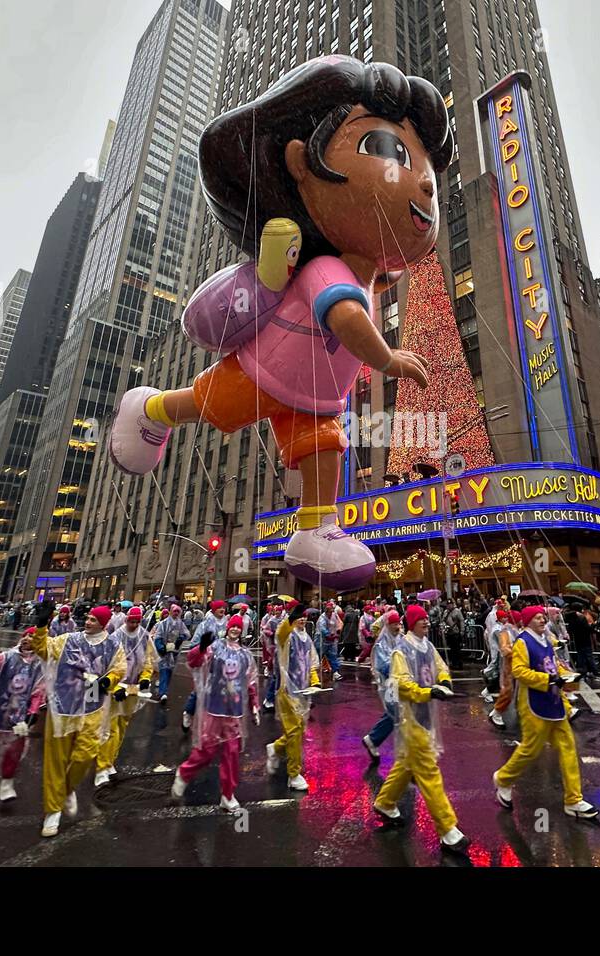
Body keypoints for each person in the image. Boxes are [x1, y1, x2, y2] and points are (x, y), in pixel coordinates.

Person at [108, 56, 451, 590]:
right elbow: (346, 321)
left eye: (425, 167)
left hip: (315, 400)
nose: (425, 185)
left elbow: (363, 298)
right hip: (265, 374)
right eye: (384, 149)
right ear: (299, 162)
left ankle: (317, 529)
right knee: (210, 405)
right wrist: (388, 359)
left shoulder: (363, 273)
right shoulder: (326, 269)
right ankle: (151, 408)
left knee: (325, 449)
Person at [370, 604, 470, 854]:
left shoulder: (427, 645)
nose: (426, 622)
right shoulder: (400, 650)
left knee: (406, 763)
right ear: (411, 622)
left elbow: (440, 667)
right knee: (428, 770)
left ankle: (384, 802)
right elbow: (401, 684)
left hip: (425, 716)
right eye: (421, 619)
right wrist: (427, 693)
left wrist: (444, 680)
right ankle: (447, 828)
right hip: (410, 718)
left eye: (427, 618)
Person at [28, 603, 127, 838]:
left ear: (103, 623)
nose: (88, 621)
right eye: (89, 618)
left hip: (92, 708)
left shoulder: (113, 644)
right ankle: (52, 811)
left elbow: (119, 668)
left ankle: (66, 789)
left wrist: (107, 681)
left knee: (85, 754)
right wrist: (41, 627)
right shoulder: (68, 639)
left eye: (93, 619)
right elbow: (44, 650)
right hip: (63, 706)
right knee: (56, 760)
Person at [492, 606, 599, 820]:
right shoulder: (523, 641)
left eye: (543, 617)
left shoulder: (545, 640)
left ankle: (573, 799)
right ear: (528, 620)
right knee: (530, 749)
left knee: (568, 748)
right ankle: (503, 778)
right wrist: (547, 680)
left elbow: (553, 666)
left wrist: (568, 676)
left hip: (553, 702)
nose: (542, 620)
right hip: (533, 703)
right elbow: (519, 671)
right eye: (538, 617)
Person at [171, 613, 260, 812]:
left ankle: (228, 795)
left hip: (234, 712)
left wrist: (254, 705)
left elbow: (251, 681)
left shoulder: (245, 654)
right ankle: (184, 773)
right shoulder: (216, 648)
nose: (235, 629)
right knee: (207, 750)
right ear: (228, 628)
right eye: (233, 626)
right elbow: (195, 662)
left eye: (238, 627)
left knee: (232, 753)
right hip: (214, 708)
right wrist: (201, 648)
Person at [0, 629, 46, 805]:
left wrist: (33, 712)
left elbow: (39, 690)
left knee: (14, 750)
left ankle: (7, 782)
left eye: (32, 637)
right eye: (25, 635)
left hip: (19, 715)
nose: (27, 639)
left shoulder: (39, 664)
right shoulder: (7, 657)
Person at [96, 605, 156, 785]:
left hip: (132, 689)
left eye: (137, 621)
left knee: (122, 727)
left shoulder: (144, 637)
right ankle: (101, 767)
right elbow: (105, 666)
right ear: (126, 620)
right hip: (116, 688)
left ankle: (110, 761)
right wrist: (115, 687)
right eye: (132, 621)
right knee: (109, 728)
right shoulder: (115, 638)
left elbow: (148, 661)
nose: (134, 624)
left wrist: (145, 678)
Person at [265, 601, 321, 792]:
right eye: (299, 617)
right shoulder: (287, 636)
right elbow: (281, 633)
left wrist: (315, 682)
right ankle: (294, 774)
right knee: (295, 731)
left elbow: (312, 662)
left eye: (304, 616)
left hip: (303, 692)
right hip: (287, 691)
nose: (302, 620)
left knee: (296, 730)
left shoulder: (307, 639)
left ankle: (276, 748)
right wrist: (290, 618)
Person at [361, 609, 401, 760]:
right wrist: (399, 666)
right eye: (394, 624)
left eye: (399, 623)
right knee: (396, 712)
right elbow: (383, 666)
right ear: (388, 625)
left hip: (400, 682)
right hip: (389, 684)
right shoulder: (381, 644)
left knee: (396, 713)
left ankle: (373, 739)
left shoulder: (400, 639)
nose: (398, 627)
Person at [184, 600, 229, 730]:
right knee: (199, 691)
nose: (222, 609)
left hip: (222, 665)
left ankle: (212, 723)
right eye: (219, 607)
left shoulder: (227, 624)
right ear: (213, 609)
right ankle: (189, 712)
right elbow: (194, 645)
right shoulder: (204, 625)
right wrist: (204, 646)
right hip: (206, 665)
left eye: (223, 607)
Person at [485, 610, 517, 729]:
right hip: (502, 659)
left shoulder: (507, 629)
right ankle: (488, 689)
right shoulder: (501, 630)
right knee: (506, 687)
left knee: (508, 688)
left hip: (507, 661)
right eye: (504, 617)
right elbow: (504, 648)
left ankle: (496, 711)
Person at [153, 604, 190, 703]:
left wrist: (180, 639)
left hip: (174, 653)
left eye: (178, 611)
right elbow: (157, 636)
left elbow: (187, 634)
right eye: (174, 611)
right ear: (170, 611)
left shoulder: (180, 624)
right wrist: (161, 647)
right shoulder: (163, 623)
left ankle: (163, 691)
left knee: (169, 671)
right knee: (164, 670)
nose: (176, 613)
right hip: (164, 652)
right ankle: (162, 693)